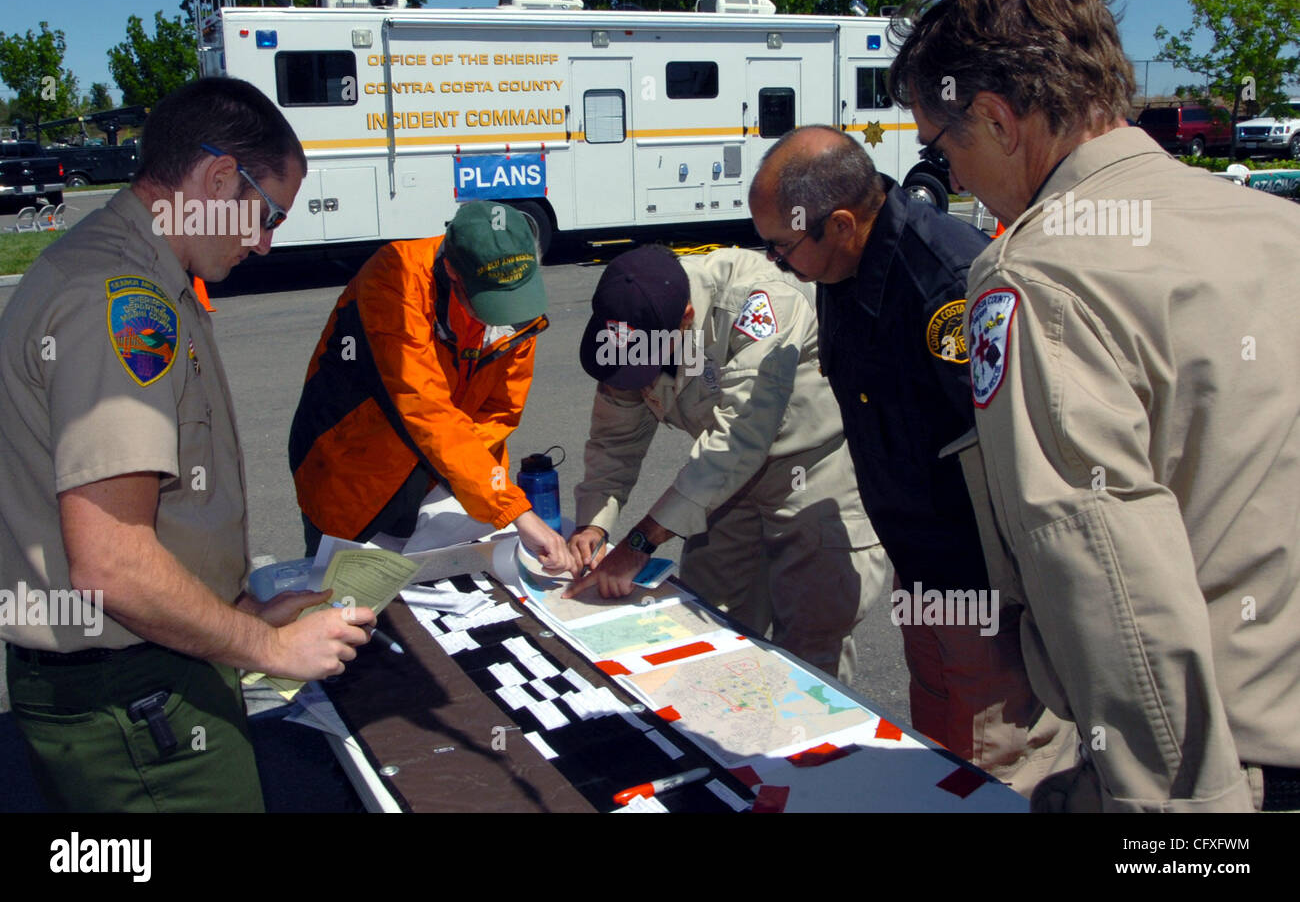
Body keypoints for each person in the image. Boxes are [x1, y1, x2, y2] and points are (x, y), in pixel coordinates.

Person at [887, 0, 1300, 811]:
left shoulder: (1036, 278)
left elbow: (1111, 587)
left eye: (943, 144)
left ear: (997, 119)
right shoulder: (1273, 226)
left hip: (1219, 779)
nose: (950, 177)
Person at [0, 77, 375, 812]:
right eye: (266, 215)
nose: (265, 244)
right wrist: (270, 650)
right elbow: (112, 561)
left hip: (152, 669)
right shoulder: (118, 297)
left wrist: (242, 615)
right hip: (134, 698)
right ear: (216, 179)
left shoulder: (148, 274)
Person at [748, 124, 1069, 795]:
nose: (773, 260)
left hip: (985, 585)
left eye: (781, 244)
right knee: (938, 755)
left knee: (998, 764)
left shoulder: (946, 285)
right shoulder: (843, 265)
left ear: (839, 224)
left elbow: (1029, 446)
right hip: (920, 568)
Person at [564, 245, 888, 683]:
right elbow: (614, 438)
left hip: (813, 470)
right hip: (721, 480)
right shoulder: (634, 321)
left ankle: (812, 751)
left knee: (813, 640)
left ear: (686, 318)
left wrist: (639, 543)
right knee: (706, 622)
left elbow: (740, 438)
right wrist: (594, 525)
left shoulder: (760, 304)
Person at [289, 201, 574, 572]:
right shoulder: (395, 275)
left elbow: (499, 413)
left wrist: (475, 491)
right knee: (340, 605)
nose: (506, 315)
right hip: (352, 476)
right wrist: (512, 509)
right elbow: (424, 407)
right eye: (489, 303)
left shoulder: (517, 298)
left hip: (441, 486)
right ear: (452, 271)